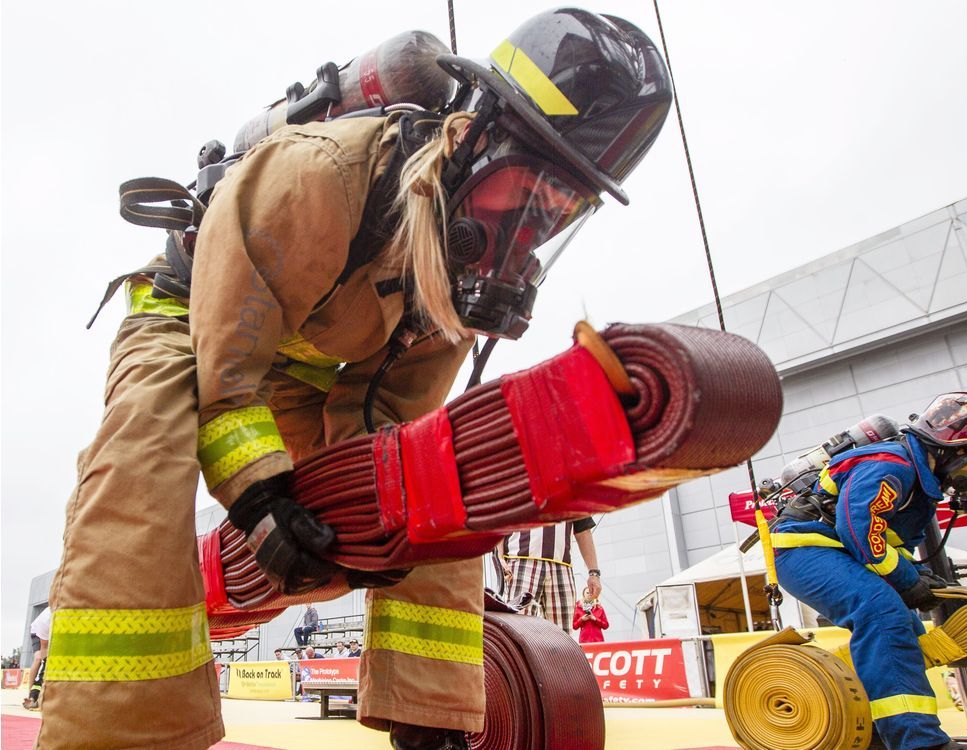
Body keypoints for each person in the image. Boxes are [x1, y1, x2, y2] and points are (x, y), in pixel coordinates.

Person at [39, 9, 671, 750]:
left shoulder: (462, 263)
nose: (542, 217)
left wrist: (374, 512)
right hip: (190, 315)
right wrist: (260, 495)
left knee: (435, 476)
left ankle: (431, 722)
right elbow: (228, 368)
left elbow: (392, 411)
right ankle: (116, 730)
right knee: (146, 453)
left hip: (304, 363)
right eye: (537, 186)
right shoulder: (321, 174)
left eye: (568, 204)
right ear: (475, 137)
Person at [771, 392, 967, 750]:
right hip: (803, 549)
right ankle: (917, 741)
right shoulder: (891, 464)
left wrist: (917, 577)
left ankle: (875, 727)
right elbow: (860, 530)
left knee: (905, 628)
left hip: (836, 551)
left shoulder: (917, 483)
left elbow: (884, 542)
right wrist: (908, 581)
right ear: (954, 450)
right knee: (882, 613)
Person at [498, 519, 603, 634]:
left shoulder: (572, 499)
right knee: (518, 629)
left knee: (563, 634)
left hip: (562, 565)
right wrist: (499, 556)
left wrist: (594, 572)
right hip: (521, 560)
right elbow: (501, 518)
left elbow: (583, 527)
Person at [23, 606, 51, 711]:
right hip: (37, 631)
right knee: (39, 658)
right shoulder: (45, 621)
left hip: (52, 633)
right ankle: (31, 694)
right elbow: (44, 648)